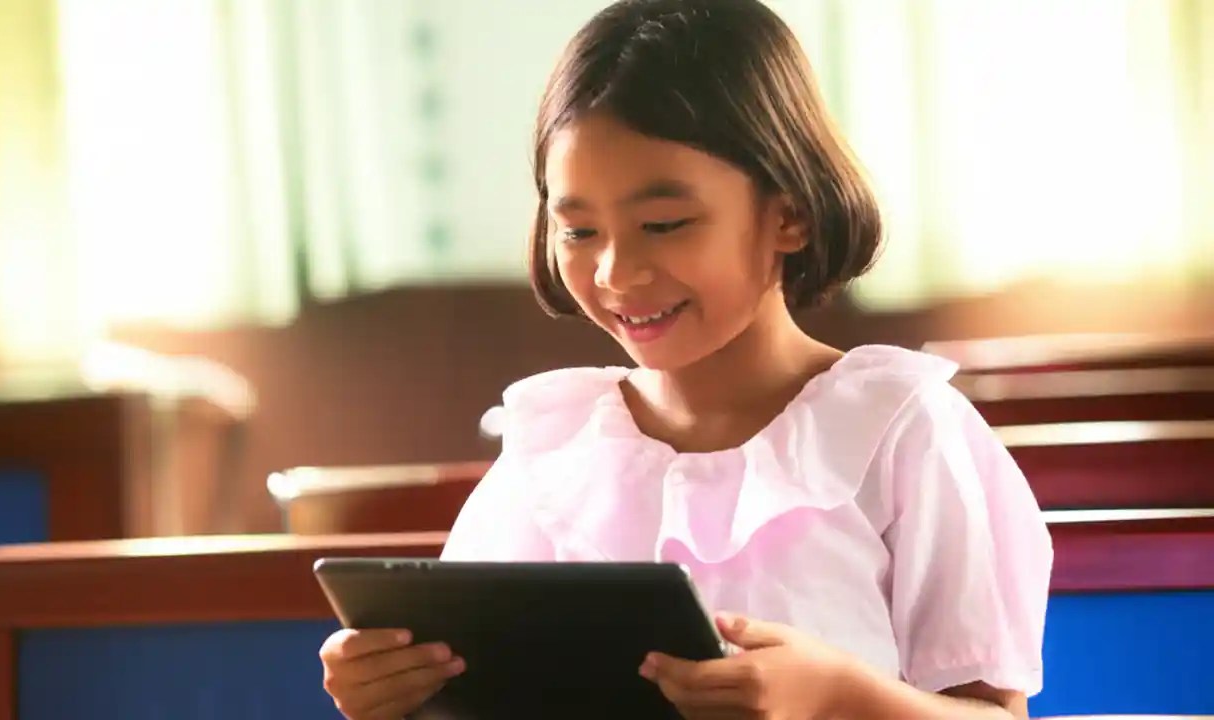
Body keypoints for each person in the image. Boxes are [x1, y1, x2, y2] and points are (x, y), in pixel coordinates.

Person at [319, 0, 1053, 717]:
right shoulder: (554, 448)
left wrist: (838, 697)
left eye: (664, 224)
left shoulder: (900, 433)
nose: (615, 272)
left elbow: (992, 713)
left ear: (788, 212)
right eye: (577, 231)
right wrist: (401, 695)